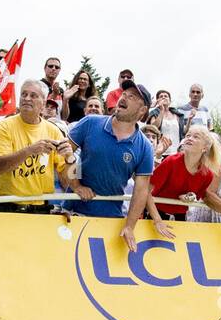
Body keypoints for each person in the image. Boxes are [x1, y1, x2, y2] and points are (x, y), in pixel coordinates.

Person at [66, 81, 156, 251]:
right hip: (73, 211)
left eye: (132, 97)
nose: (124, 98)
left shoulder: (145, 146)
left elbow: (141, 190)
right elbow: (66, 156)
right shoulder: (90, 122)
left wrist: (129, 226)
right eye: (124, 94)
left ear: (142, 110)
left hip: (111, 219)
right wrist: (77, 185)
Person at [0, 79, 72, 213]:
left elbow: (68, 182)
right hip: (7, 206)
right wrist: (30, 150)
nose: (27, 98)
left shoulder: (53, 131)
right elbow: (0, 167)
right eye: (24, 94)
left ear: (43, 103)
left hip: (41, 208)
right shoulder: (4, 127)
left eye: (33, 95)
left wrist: (69, 158)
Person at [148, 125, 221, 236]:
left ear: (205, 148)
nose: (189, 138)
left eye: (196, 137)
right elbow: (145, 191)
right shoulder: (171, 161)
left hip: (180, 219)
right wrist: (158, 220)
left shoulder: (207, 174)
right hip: (156, 215)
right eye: (188, 135)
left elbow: (207, 198)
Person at [146, 89, 182, 154]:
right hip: (161, 151)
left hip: (176, 151)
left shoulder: (177, 114)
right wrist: (162, 110)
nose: (163, 97)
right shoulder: (155, 113)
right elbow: (153, 128)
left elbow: (183, 131)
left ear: (170, 101)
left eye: (166, 96)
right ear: (157, 101)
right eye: (161, 96)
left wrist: (190, 120)